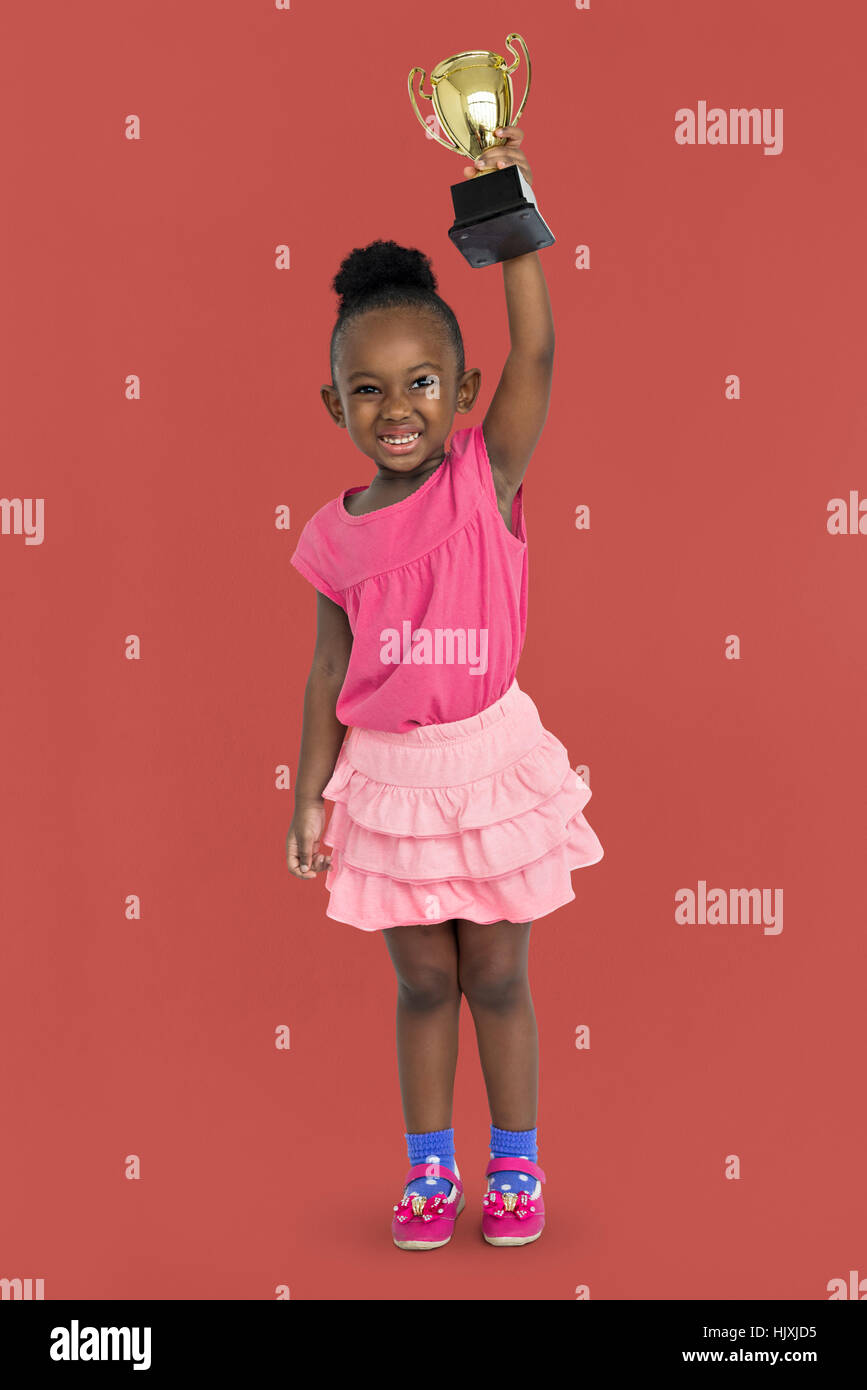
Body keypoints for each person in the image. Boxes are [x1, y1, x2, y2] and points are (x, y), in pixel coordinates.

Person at [286, 126, 604, 1250]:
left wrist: (505, 214)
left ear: (461, 389)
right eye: (366, 391)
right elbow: (329, 669)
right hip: (386, 778)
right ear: (335, 407)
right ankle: (430, 1171)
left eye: (422, 383)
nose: (397, 408)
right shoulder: (333, 537)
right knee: (426, 982)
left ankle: (515, 1165)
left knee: (499, 973)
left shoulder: (487, 475)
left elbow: (541, 356)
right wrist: (306, 799)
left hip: (486, 760)